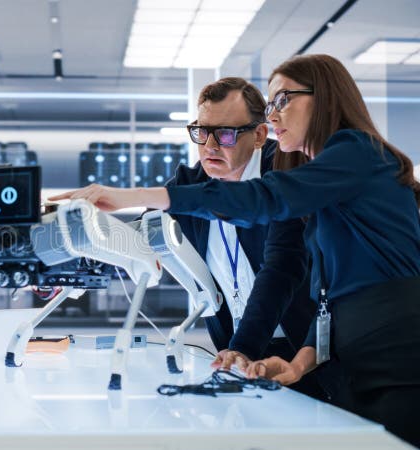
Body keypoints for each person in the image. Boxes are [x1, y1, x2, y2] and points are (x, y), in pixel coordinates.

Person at [51, 54, 420, 446]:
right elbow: (328, 291)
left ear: (324, 97)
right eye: (201, 132)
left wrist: (125, 195)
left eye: (282, 100)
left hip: (392, 348)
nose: (273, 114)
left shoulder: (352, 150)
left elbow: (269, 224)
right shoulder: (322, 179)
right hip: (345, 350)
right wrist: (299, 364)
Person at [162, 77, 324, 399]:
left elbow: (280, 270)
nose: (210, 146)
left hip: (305, 348)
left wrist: (243, 346)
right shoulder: (191, 183)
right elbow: (141, 233)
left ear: (260, 134)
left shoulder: (286, 176)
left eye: (224, 134)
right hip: (234, 351)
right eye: (202, 132)